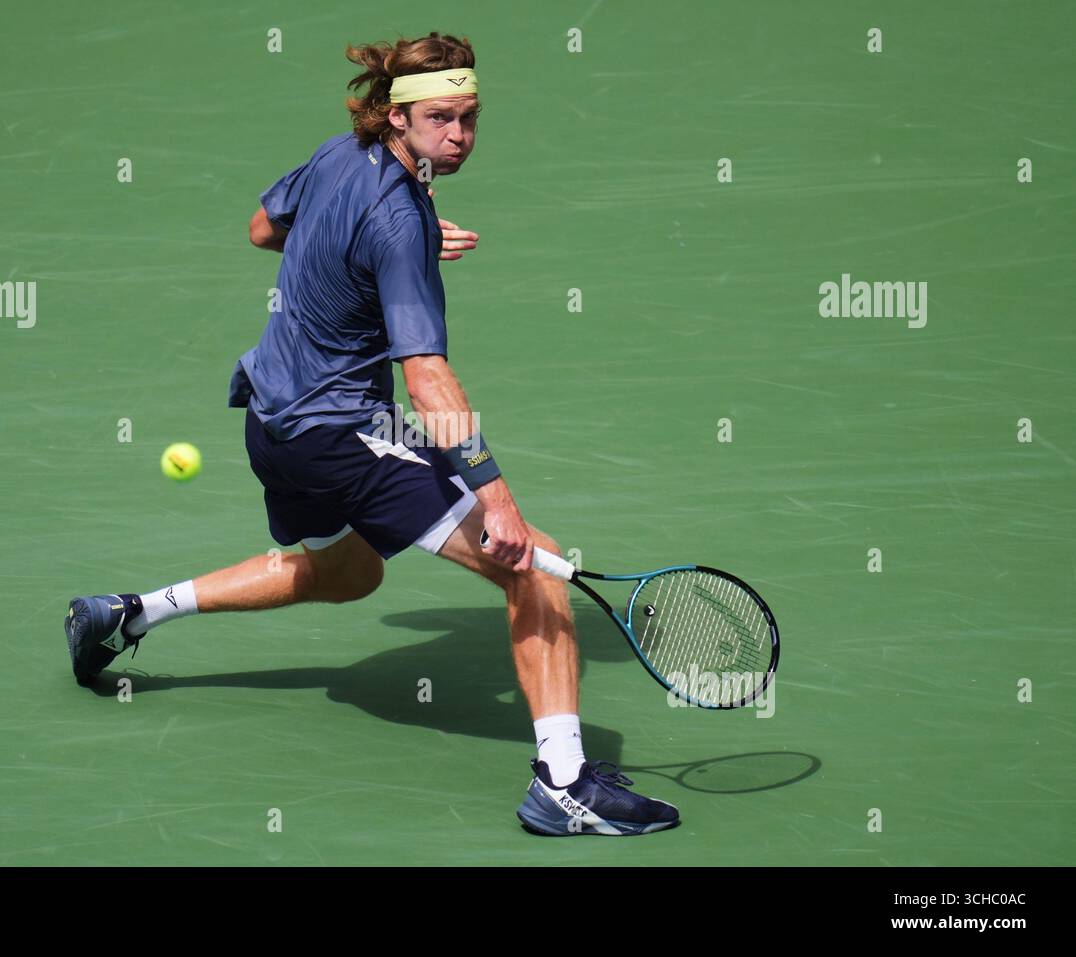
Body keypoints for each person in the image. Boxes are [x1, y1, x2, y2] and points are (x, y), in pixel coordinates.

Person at [65, 32, 679, 837]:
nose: (458, 135)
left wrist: (385, 247)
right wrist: (497, 500)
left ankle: (127, 614)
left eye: (470, 118)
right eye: (440, 118)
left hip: (271, 420)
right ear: (397, 115)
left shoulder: (337, 156)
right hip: (344, 432)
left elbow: (262, 228)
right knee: (534, 568)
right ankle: (563, 784)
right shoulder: (400, 220)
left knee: (349, 573)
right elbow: (426, 380)